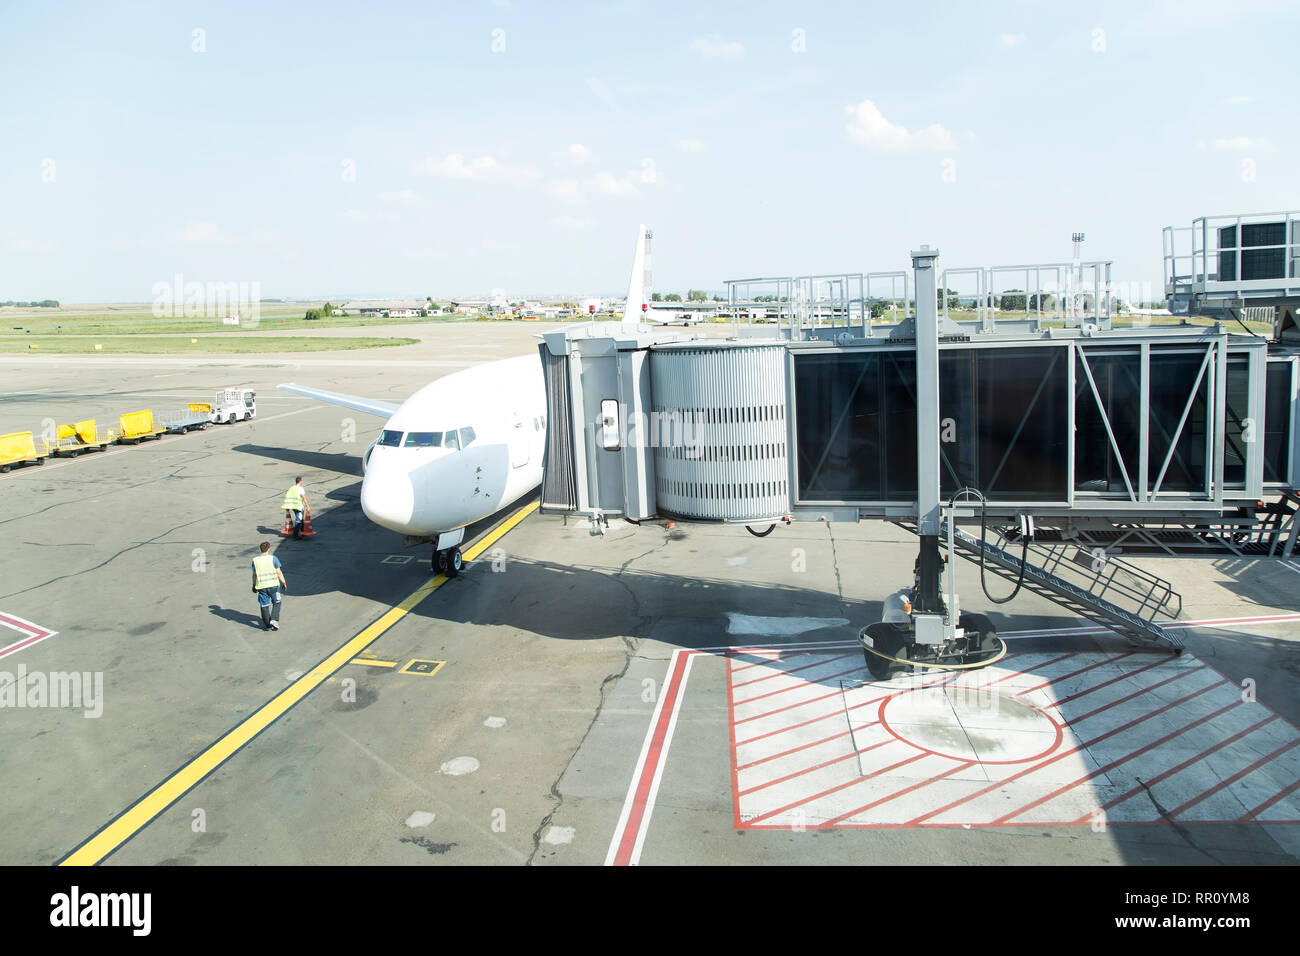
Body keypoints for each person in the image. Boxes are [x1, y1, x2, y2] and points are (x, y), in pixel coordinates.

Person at [251, 541, 287, 630]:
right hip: (273, 585)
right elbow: (278, 572)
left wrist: (254, 585)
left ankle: (267, 624)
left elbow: (254, 574)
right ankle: (274, 620)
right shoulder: (273, 558)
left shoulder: (255, 560)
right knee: (277, 602)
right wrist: (284, 582)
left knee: (264, 605)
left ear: (260, 550)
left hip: (262, 587)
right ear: (269, 549)